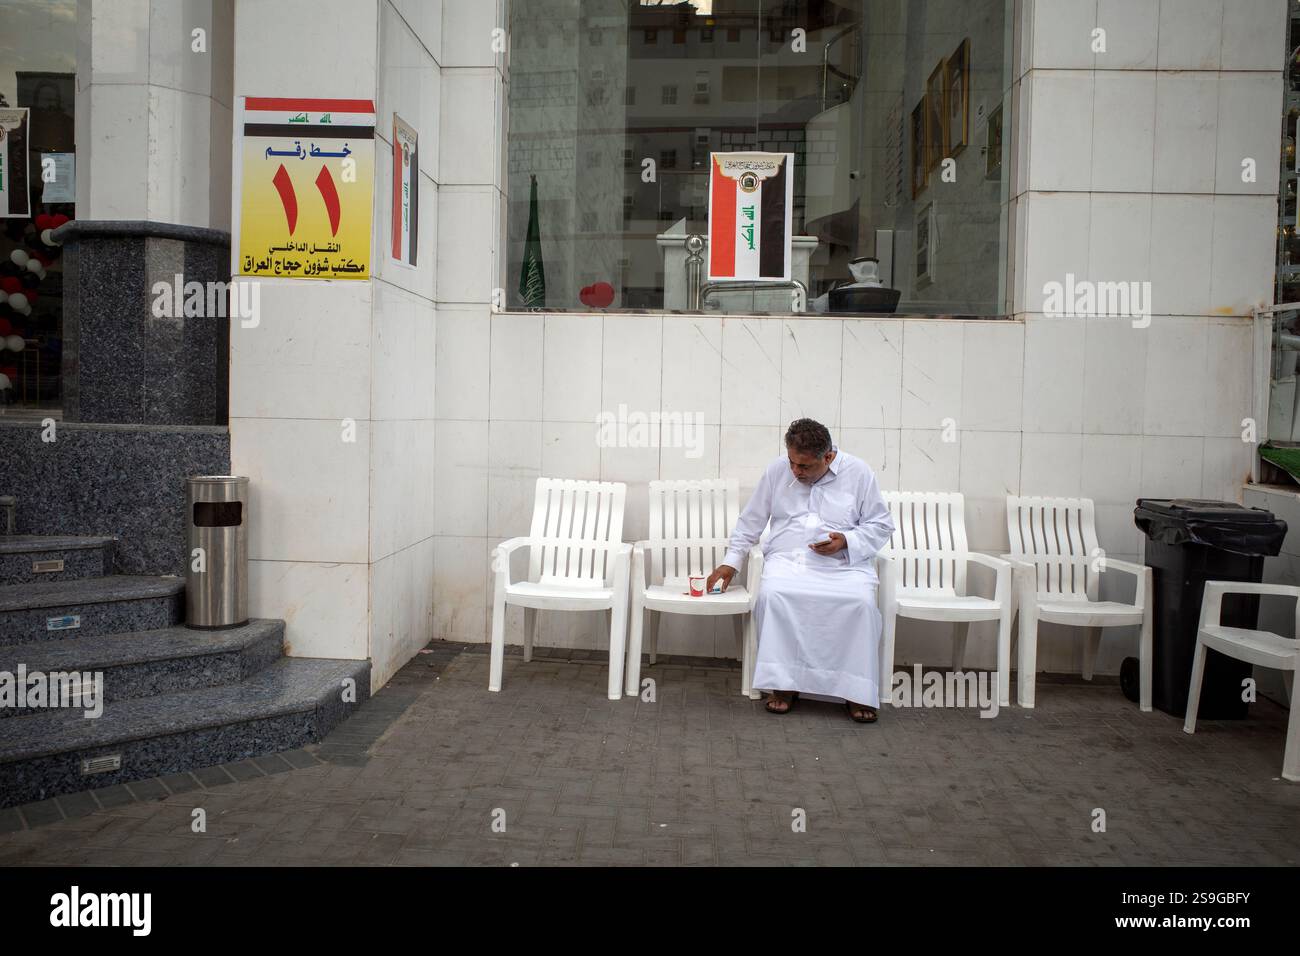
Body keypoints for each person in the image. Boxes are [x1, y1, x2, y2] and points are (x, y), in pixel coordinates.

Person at [706, 419, 894, 722]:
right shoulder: (777, 470)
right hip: (788, 562)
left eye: (804, 466)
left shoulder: (859, 473)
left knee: (860, 604)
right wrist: (732, 562)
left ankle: (854, 690)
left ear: (829, 457)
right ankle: (783, 684)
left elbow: (881, 524)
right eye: (792, 462)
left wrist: (847, 540)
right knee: (774, 595)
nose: (795, 471)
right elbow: (751, 520)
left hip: (843, 566)